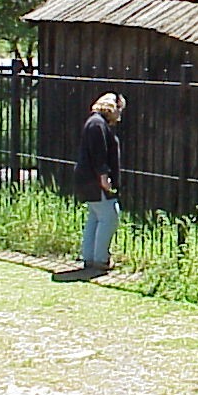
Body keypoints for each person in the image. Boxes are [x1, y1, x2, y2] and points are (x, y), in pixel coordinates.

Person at [73, 92, 126, 271]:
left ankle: (90, 257)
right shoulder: (98, 125)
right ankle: (101, 259)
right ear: (112, 107)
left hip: (86, 178)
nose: (120, 115)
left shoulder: (95, 122)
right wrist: (104, 179)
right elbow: (98, 154)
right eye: (120, 109)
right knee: (110, 216)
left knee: (95, 217)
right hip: (95, 180)